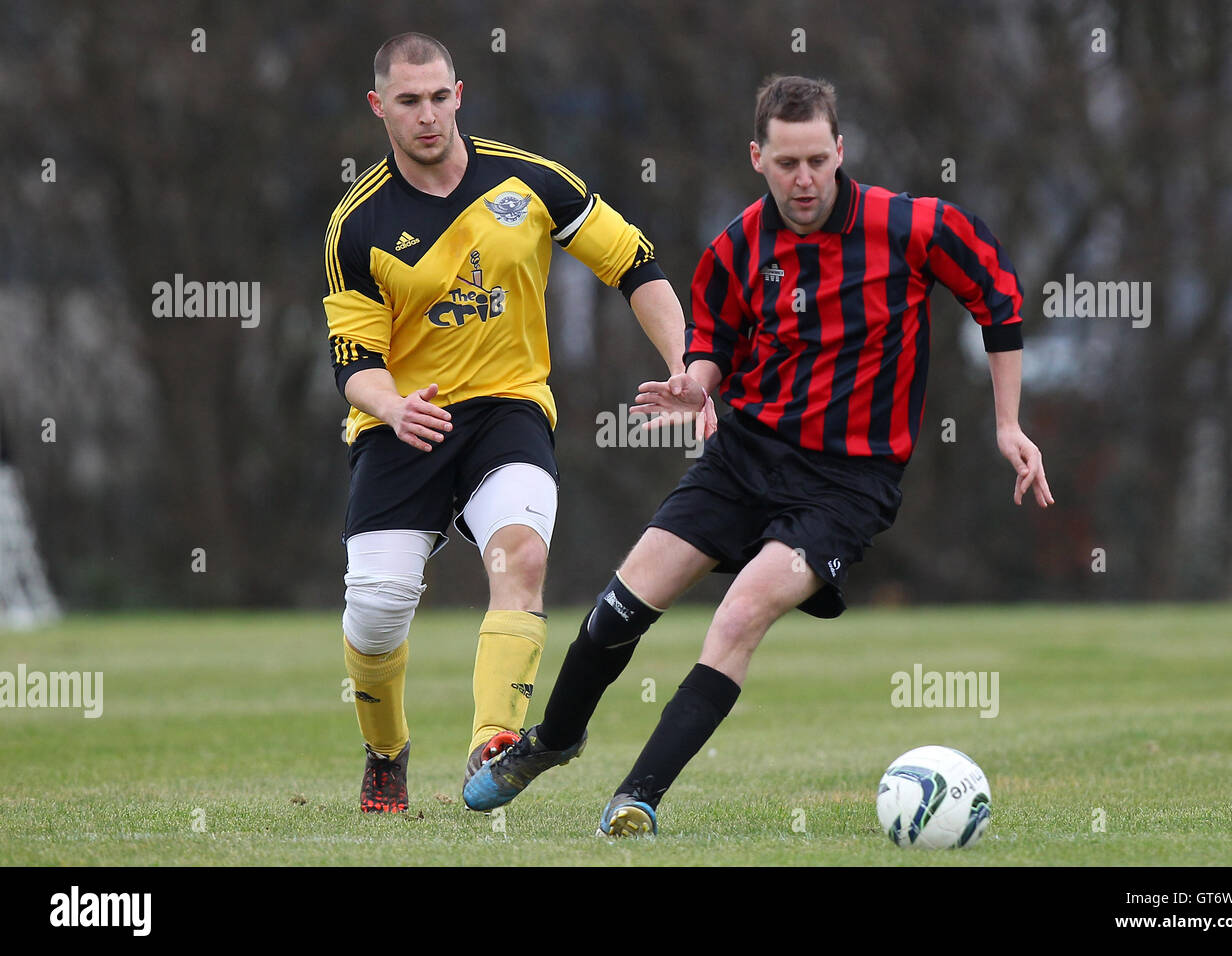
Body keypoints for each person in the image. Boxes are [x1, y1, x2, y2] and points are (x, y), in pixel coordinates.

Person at [463, 74, 1054, 835]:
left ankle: (637, 796)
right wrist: (696, 385)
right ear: (757, 157)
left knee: (739, 615)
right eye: (786, 163)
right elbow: (713, 342)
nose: (804, 179)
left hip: (847, 482)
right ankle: (552, 740)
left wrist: (1008, 423)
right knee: (619, 609)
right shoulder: (737, 247)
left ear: (841, 150)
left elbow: (998, 297)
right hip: (743, 456)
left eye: (817, 159)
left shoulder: (913, 228)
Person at [323, 32, 700, 812]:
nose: (427, 116)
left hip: (509, 410)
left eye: (439, 98)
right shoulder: (356, 225)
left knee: (520, 557)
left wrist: (684, 365)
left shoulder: (529, 181)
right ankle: (386, 751)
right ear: (378, 108)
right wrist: (392, 405)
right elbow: (353, 363)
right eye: (408, 102)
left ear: (459, 94)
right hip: (405, 425)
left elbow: (633, 262)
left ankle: (493, 742)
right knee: (378, 607)